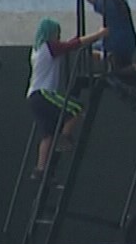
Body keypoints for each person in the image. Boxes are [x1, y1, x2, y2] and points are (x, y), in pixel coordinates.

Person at [27, 19, 107, 174]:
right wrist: (99, 34)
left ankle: (40, 168)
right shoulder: (49, 47)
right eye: (57, 33)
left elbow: (69, 45)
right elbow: (73, 45)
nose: (58, 37)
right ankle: (64, 137)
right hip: (44, 93)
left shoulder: (37, 50)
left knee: (48, 135)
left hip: (33, 97)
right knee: (77, 108)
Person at [83, 0, 136, 71]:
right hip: (130, 41)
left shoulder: (106, 4)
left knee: (87, 49)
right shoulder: (122, 2)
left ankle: (106, 56)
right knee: (125, 65)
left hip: (114, 43)